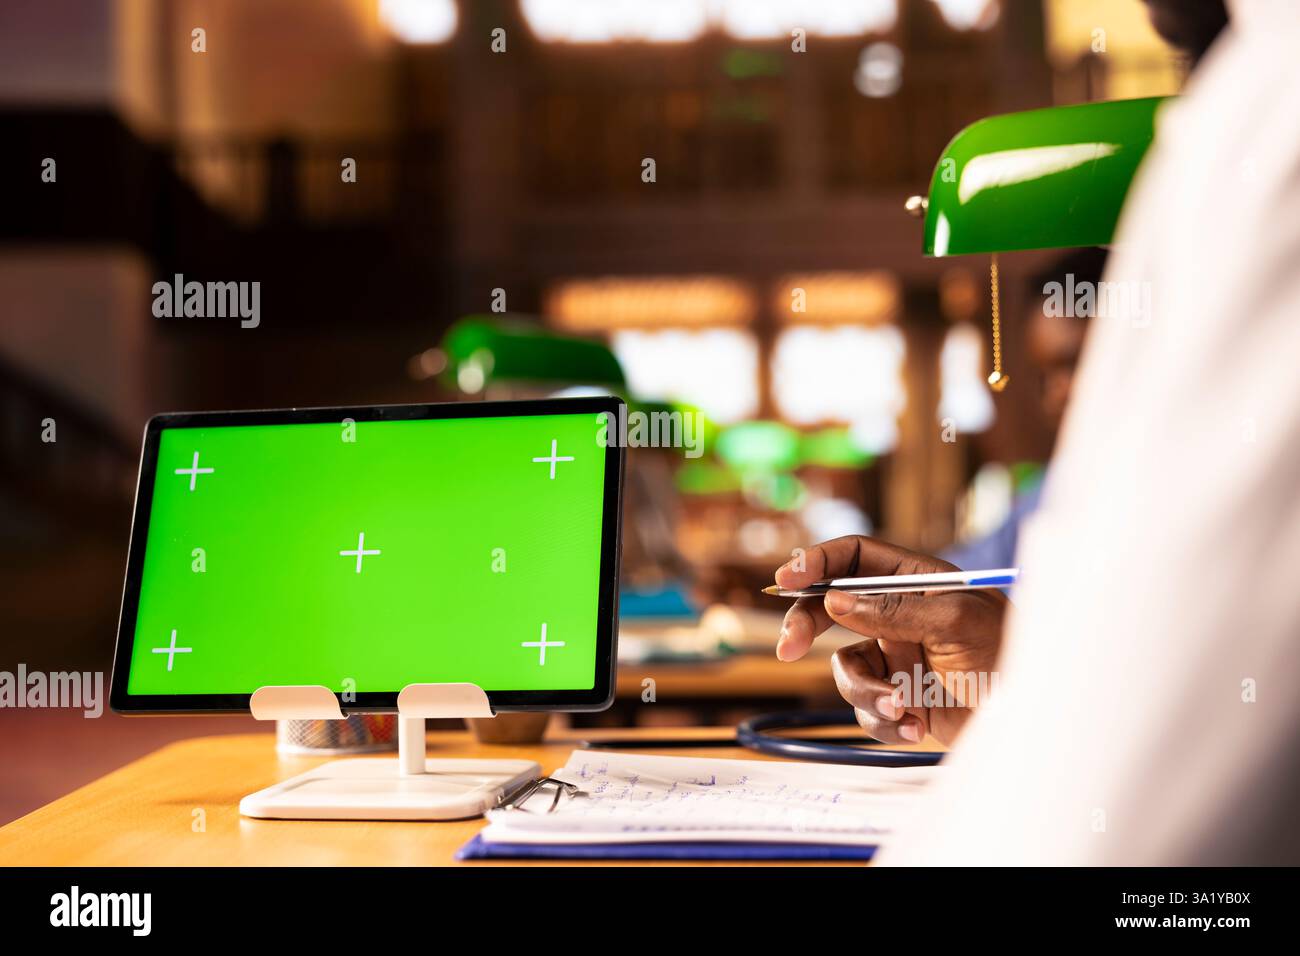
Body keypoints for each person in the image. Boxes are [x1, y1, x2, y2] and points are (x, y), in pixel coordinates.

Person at [775, 0, 1300, 863]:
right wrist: (1009, 672)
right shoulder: (1242, 105)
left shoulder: (1263, 117)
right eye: (1053, 371)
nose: (1067, 395)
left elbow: (1134, 838)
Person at [943, 248, 1106, 572]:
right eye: (1044, 377)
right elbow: (962, 573)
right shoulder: (1049, 494)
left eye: (1073, 364)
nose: (1056, 395)